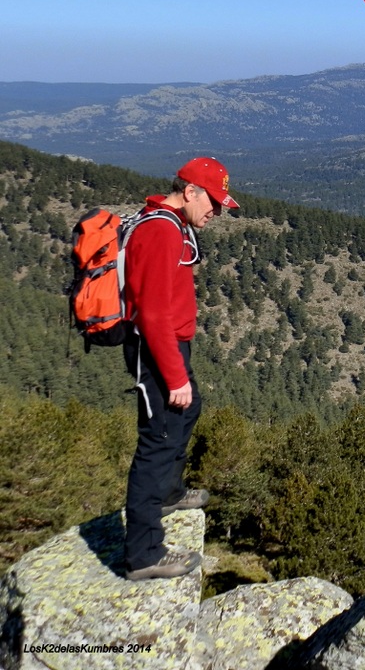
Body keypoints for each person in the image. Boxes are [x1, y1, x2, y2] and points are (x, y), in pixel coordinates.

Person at [122, 156, 239, 581]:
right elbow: (151, 313)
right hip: (156, 350)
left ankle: (170, 494)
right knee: (157, 440)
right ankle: (144, 555)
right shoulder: (160, 231)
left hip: (169, 345)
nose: (217, 211)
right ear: (189, 191)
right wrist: (174, 376)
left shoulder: (170, 224)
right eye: (213, 202)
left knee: (188, 412)